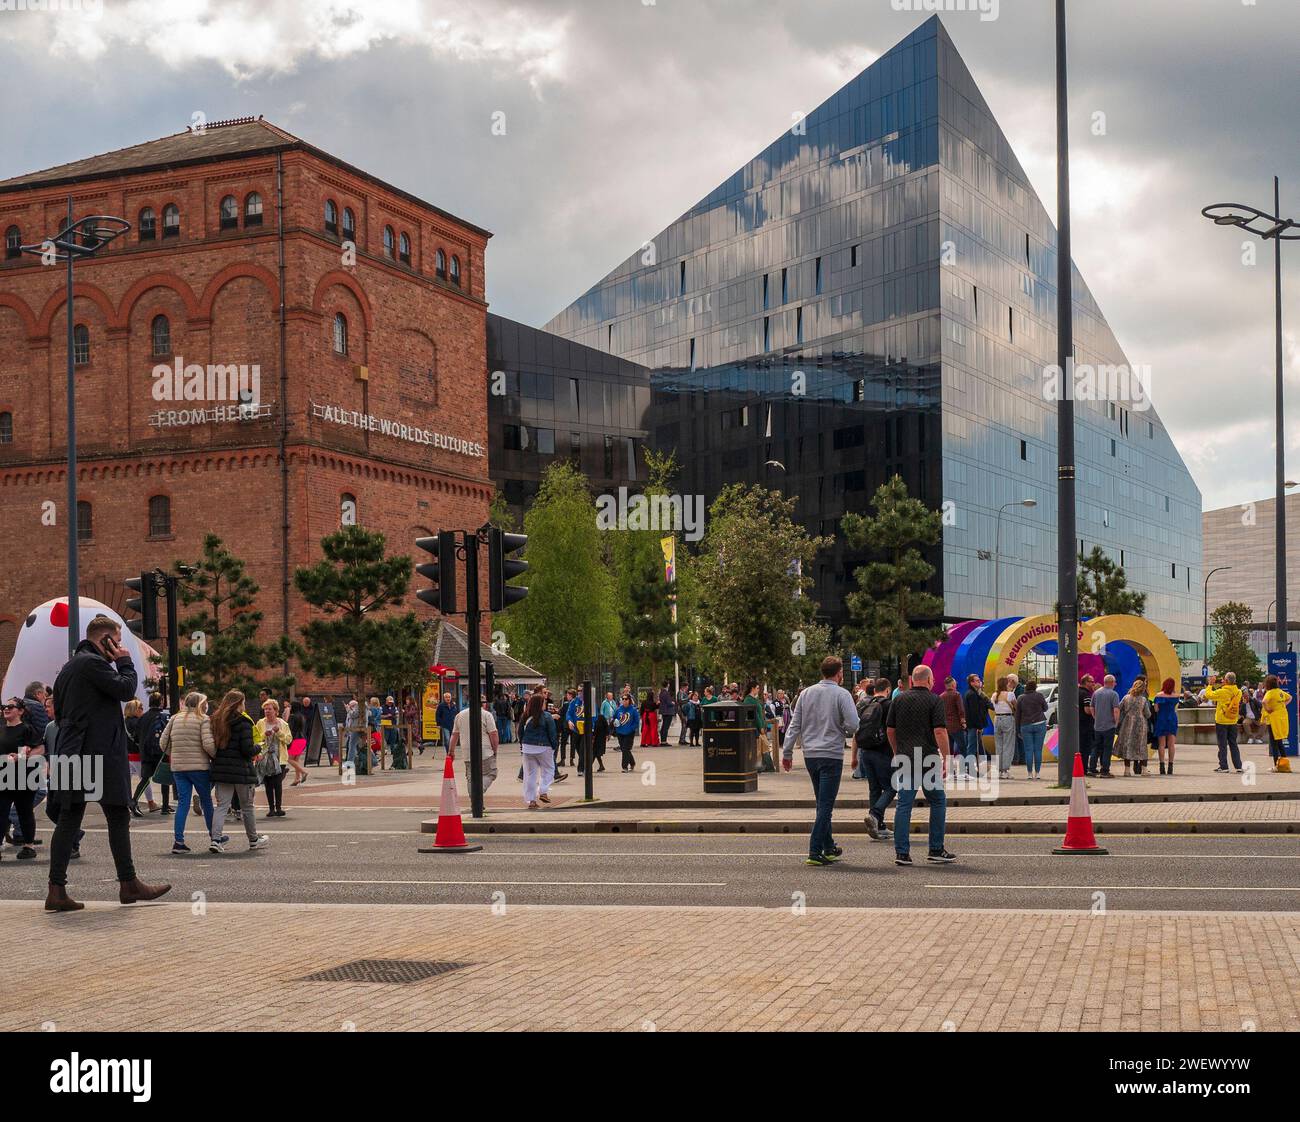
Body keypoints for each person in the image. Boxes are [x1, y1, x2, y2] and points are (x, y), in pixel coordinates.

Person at [45, 615, 171, 911]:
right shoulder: (92, 664)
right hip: (97, 751)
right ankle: (128, 884)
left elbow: (60, 712)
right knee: (117, 815)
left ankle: (56, 890)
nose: (120, 646)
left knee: (68, 818)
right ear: (106, 640)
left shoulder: (67, 669)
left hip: (70, 748)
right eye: (118, 640)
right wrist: (125, 661)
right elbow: (126, 690)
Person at [781, 656, 859, 867]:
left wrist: (787, 753)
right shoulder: (842, 694)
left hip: (810, 755)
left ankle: (829, 846)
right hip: (831, 754)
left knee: (821, 802)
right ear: (839, 673)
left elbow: (794, 725)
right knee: (826, 805)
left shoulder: (806, 694)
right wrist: (843, 730)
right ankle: (815, 850)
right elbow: (853, 724)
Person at [888, 664, 955, 866]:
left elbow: (890, 729)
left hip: (906, 757)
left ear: (912, 680)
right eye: (933, 679)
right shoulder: (934, 700)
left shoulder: (898, 699)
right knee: (937, 801)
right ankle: (935, 849)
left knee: (904, 804)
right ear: (928, 680)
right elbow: (940, 732)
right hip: (928, 758)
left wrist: (896, 751)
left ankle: (902, 853)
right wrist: (947, 758)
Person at [208, 690, 268, 853]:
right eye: (243, 703)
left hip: (221, 769)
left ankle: (216, 839)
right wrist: (259, 747)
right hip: (242, 770)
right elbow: (247, 749)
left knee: (221, 806)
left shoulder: (216, 721)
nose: (245, 706)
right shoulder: (244, 722)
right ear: (238, 704)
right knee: (247, 807)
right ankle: (253, 839)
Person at [162, 691, 217, 853]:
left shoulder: (174, 718)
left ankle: (178, 841)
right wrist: (215, 756)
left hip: (178, 768)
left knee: (183, 804)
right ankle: (215, 837)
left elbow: (163, 743)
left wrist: (177, 753)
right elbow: (208, 745)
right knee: (206, 801)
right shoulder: (203, 719)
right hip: (199, 768)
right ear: (201, 704)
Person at [0, 695, 42, 860]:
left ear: (21, 711)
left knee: (24, 812)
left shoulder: (27, 729)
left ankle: (28, 846)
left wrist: (21, 756)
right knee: (1, 811)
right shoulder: (1, 729)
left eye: (11, 706)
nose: (6, 709)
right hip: (4, 777)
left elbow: (40, 749)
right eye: (5, 706)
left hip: (24, 777)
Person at [854, 677, 893, 840]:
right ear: (888, 690)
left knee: (874, 789)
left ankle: (880, 825)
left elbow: (857, 731)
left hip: (865, 752)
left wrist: (853, 757)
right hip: (882, 751)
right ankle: (875, 815)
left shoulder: (865, 705)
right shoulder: (888, 705)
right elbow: (892, 730)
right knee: (893, 786)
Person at [448, 694, 499, 797]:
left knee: (471, 778)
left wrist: (451, 751)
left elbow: (454, 735)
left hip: (467, 752)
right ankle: (478, 793)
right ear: (483, 704)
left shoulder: (460, 715)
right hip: (485, 752)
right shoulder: (486, 715)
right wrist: (495, 749)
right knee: (491, 773)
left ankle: (474, 800)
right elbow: (493, 734)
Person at [130, 692, 168, 814]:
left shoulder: (142, 718)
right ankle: (165, 806)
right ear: (161, 702)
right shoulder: (163, 716)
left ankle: (134, 801)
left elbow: (135, 737)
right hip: (159, 753)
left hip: (145, 753)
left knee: (145, 779)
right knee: (164, 778)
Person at [519, 693, 558, 808]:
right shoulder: (546, 716)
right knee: (549, 770)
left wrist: (522, 745)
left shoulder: (525, 716)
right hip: (544, 747)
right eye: (544, 702)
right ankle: (543, 791)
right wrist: (554, 746)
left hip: (527, 748)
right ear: (540, 704)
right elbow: (552, 733)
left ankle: (531, 801)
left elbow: (520, 732)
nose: (545, 704)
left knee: (530, 774)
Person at [256, 699, 291, 817]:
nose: (267, 711)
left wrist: (279, 732)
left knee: (277, 783)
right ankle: (271, 809)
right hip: (265, 757)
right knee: (268, 783)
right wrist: (263, 735)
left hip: (279, 758)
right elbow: (255, 739)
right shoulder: (260, 723)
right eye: (265, 709)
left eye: (269, 709)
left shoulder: (283, 724)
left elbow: (288, 740)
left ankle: (279, 808)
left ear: (275, 711)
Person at [1205, 671, 1244, 773]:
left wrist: (1210, 684)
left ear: (1226, 681)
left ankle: (1224, 766)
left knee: (1222, 745)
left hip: (1222, 721)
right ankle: (1238, 766)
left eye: (1223, 679)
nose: (1221, 681)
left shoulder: (1222, 691)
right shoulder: (1238, 692)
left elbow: (1208, 695)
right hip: (1233, 721)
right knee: (1233, 744)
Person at [1115, 680, 1152, 776]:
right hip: (1140, 723)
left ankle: (1127, 770)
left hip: (1127, 723)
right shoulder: (1143, 699)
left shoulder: (1126, 697)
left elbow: (1119, 708)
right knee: (1141, 745)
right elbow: (1147, 714)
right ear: (1143, 688)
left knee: (1128, 744)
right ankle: (1144, 770)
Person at [1089, 675, 1121, 777]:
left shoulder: (1096, 693)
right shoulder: (1114, 694)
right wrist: (1116, 722)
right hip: (1109, 725)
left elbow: (1092, 707)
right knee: (1107, 749)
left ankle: (1092, 769)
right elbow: (1116, 710)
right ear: (1111, 682)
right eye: (1114, 682)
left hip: (1097, 726)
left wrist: (1095, 717)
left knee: (1096, 747)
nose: (1115, 684)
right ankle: (1105, 770)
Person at [962, 674, 994, 778]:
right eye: (976, 680)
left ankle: (981, 767)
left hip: (975, 725)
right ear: (971, 683)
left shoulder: (977, 694)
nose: (979, 682)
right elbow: (974, 712)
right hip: (974, 726)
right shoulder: (972, 695)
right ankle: (969, 769)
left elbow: (988, 705)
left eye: (979, 680)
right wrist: (979, 726)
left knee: (978, 747)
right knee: (972, 748)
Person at [1017, 680, 1049, 780]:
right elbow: (1046, 708)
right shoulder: (1039, 696)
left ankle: (1029, 773)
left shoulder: (1021, 698)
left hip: (1025, 725)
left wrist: (1018, 729)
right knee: (1038, 750)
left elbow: (1018, 714)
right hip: (1040, 724)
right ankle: (1038, 773)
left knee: (1028, 750)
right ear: (1035, 687)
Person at [1261, 674, 1293, 771]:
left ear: (1268, 684)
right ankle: (1284, 765)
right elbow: (1290, 697)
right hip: (1282, 719)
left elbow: (1263, 702)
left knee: (1274, 743)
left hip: (1273, 720)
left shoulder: (1270, 692)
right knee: (1279, 742)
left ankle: (1276, 766)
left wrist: (1268, 709)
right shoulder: (1280, 692)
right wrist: (1283, 704)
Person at [991, 676, 1018, 780]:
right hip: (1008, 719)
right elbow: (1016, 706)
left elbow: (993, 707)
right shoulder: (1010, 694)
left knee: (998, 745)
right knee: (1008, 745)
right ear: (1006, 684)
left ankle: (998, 770)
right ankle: (1005, 770)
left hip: (997, 719)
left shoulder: (994, 695)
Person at [1152, 678, 1180, 775]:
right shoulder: (1176, 696)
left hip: (1161, 719)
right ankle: (1171, 766)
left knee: (1162, 744)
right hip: (1172, 719)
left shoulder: (1158, 696)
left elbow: (1156, 709)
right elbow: (1175, 707)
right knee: (1171, 744)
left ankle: (1162, 766)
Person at [941, 675, 965, 768]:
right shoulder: (956, 695)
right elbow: (961, 710)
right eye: (955, 683)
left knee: (949, 750)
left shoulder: (941, 696)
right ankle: (965, 769)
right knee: (963, 748)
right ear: (952, 684)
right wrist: (963, 722)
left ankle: (950, 770)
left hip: (946, 727)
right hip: (956, 726)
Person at [613, 690, 640, 771]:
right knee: (624, 749)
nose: (624, 701)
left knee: (625, 749)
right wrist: (615, 723)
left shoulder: (633, 710)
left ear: (629, 700)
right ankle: (632, 762)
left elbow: (636, 721)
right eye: (623, 699)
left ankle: (624, 767)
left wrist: (632, 729)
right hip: (620, 732)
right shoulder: (618, 709)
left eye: (626, 699)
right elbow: (614, 718)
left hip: (629, 733)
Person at [1077, 674, 1096, 777]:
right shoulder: (1086, 694)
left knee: (1079, 748)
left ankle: (1079, 767)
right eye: (1091, 681)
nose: (1093, 683)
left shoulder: (1076, 692)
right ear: (1086, 682)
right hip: (1085, 725)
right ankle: (1084, 769)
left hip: (1077, 724)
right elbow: (1087, 710)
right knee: (1085, 749)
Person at [287, 701, 309, 785]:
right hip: (303, 739)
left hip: (295, 739)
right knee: (296, 760)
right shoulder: (302, 716)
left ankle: (304, 772)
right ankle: (297, 779)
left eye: (290, 706)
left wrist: (288, 741)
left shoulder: (292, 717)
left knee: (289, 759)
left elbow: (291, 729)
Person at [435, 691, 457, 758]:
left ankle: (451, 751)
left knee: (452, 740)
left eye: (449, 697)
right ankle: (448, 753)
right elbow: (437, 715)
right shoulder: (441, 706)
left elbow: (456, 714)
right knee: (447, 740)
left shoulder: (453, 705)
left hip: (453, 725)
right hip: (445, 725)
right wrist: (438, 724)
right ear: (444, 698)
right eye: (446, 697)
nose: (448, 698)